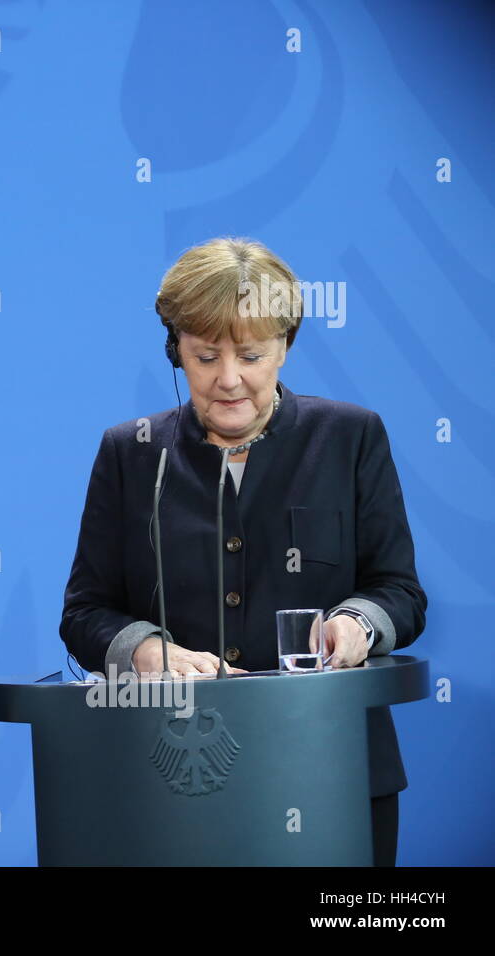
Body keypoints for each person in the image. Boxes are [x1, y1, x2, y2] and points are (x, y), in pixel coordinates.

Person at [60, 237, 426, 866]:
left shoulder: (349, 438)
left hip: (331, 769)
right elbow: (85, 612)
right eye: (205, 357)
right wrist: (147, 650)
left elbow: (400, 592)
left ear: (285, 346)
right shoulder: (131, 452)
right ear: (175, 352)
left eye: (252, 355)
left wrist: (358, 623)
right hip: (170, 776)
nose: (228, 380)